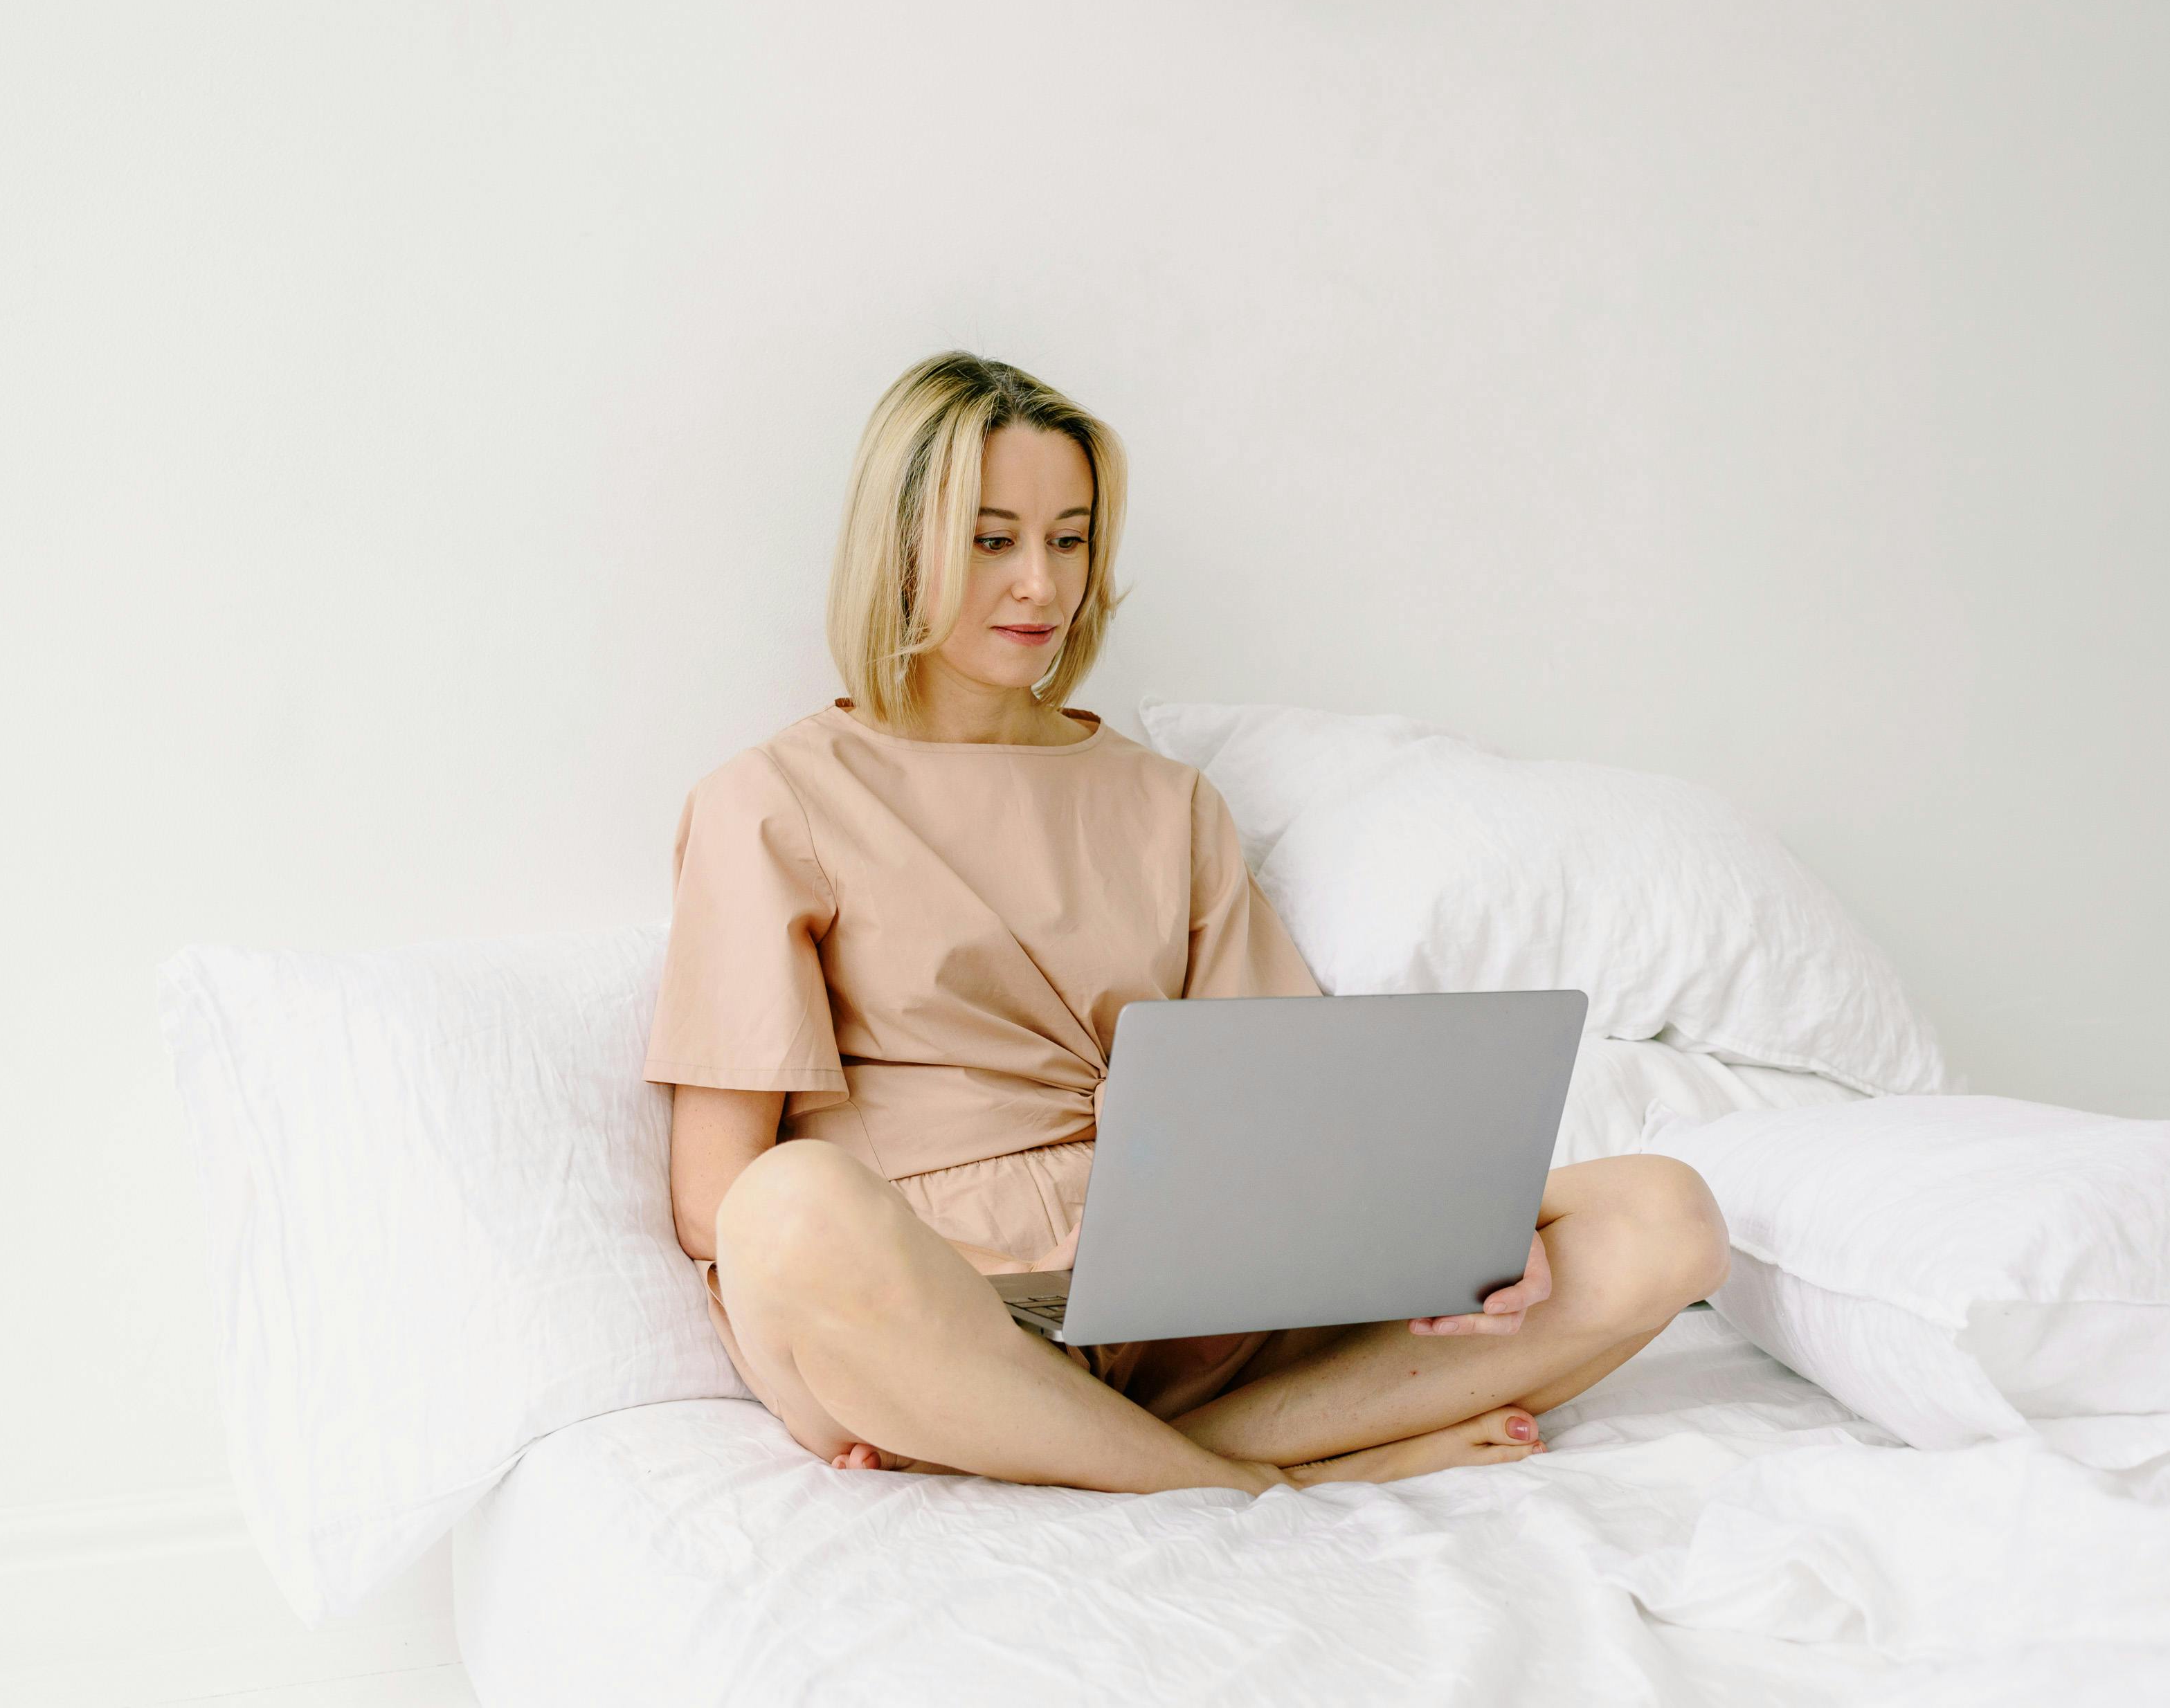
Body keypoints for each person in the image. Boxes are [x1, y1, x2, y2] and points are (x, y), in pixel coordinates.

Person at [648, 351, 1730, 1496]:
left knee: (1664, 1216)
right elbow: (712, 1195)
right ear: (900, 542)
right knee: (783, 1209)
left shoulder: (1167, 801)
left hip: (1187, 1302)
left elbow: (1300, 1118)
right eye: (992, 538)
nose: (1041, 586)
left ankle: (1182, 1453)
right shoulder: (772, 798)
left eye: (1069, 541)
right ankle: (1260, 1480)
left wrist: (1469, 1228)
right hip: (933, 1312)